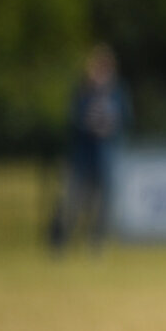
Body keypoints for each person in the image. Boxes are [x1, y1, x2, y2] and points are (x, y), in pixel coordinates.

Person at [47, 43, 130, 254]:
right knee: (72, 201)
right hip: (82, 158)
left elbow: (126, 119)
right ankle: (60, 243)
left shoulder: (117, 92)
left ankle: (96, 244)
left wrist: (108, 126)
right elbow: (75, 119)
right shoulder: (83, 91)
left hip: (106, 157)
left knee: (103, 203)